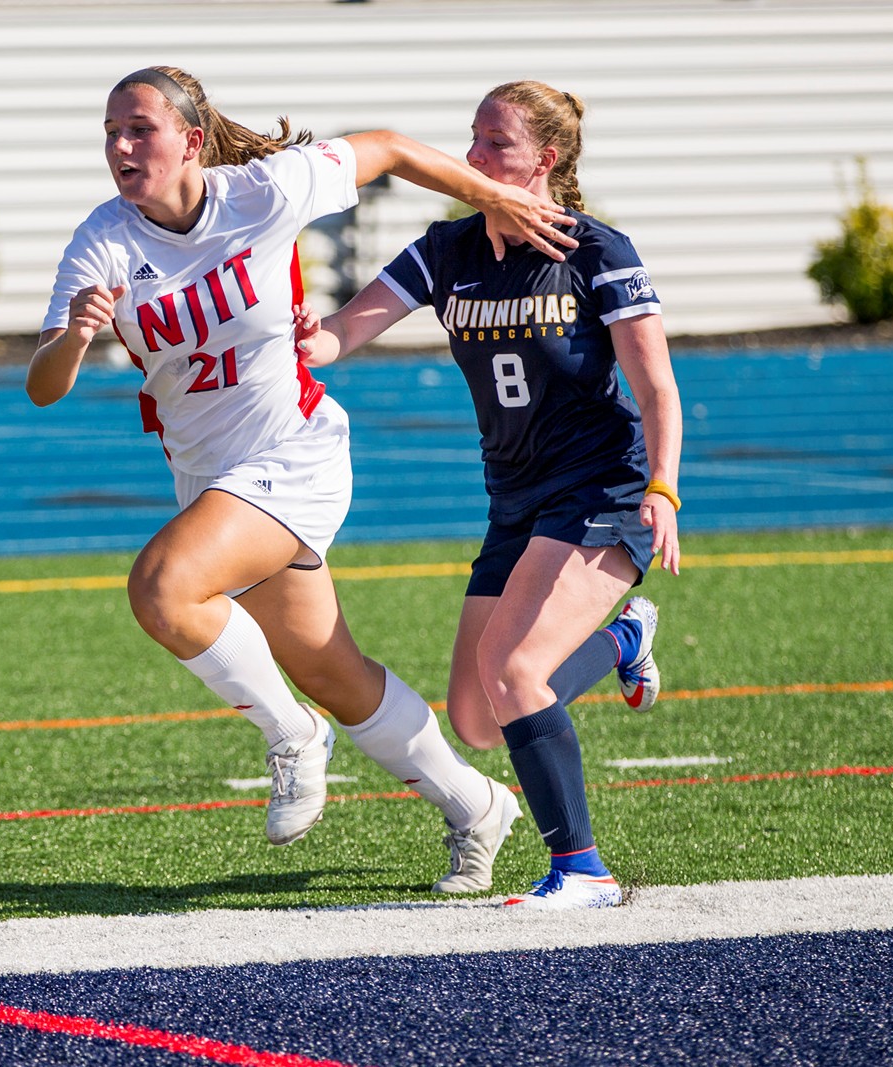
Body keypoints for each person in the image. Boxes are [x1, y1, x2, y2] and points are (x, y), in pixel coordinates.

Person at [28, 66, 579, 892]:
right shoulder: (103, 238)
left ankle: (292, 735)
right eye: (110, 130)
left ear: (191, 137)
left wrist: (488, 195)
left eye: (140, 128)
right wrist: (73, 337)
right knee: (335, 670)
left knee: (162, 589)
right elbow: (43, 384)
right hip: (212, 483)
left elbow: (388, 149)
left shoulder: (262, 190)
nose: (120, 145)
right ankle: (476, 803)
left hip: (295, 457)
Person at [293, 80, 682, 910]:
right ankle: (621, 643)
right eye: (470, 139)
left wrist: (664, 489)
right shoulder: (448, 249)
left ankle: (583, 869)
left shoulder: (597, 250)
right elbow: (338, 335)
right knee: (477, 715)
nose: (471, 159)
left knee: (513, 672)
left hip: (601, 483)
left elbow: (658, 389)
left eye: (493, 144)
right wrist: (289, 331)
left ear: (544, 160)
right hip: (513, 495)